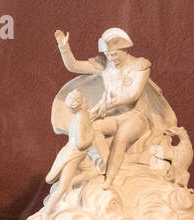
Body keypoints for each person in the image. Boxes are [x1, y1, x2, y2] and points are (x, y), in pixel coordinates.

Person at [53, 27, 170, 187]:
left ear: (125, 50)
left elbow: (132, 95)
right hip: (113, 116)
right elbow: (73, 66)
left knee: (121, 137)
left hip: (136, 116)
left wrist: (106, 105)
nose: (111, 58)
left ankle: (109, 182)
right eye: (108, 55)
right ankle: (109, 167)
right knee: (91, 128)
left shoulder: (139, 66)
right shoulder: (105, 66)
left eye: (114, 54)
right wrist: (64, 48)